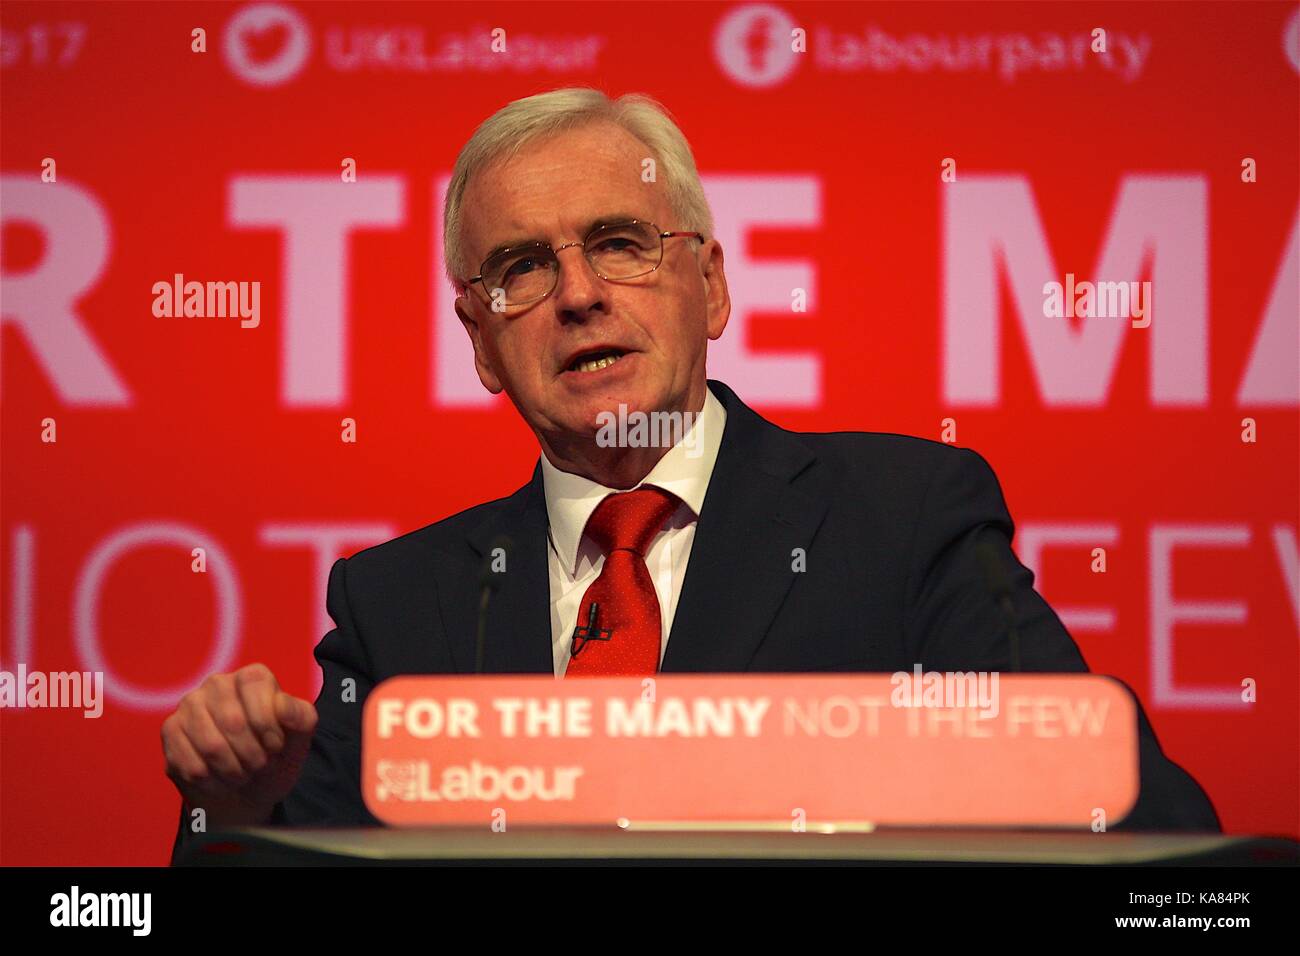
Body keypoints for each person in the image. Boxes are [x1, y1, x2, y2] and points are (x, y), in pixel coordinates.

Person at [163, 88, 1219, 862]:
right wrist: (236, 808)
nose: (577, 293)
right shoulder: (399, 603)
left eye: (619, 243)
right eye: (520, 268)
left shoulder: (900, 522)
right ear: (480, 343)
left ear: (707, 285)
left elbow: (1141, 831)